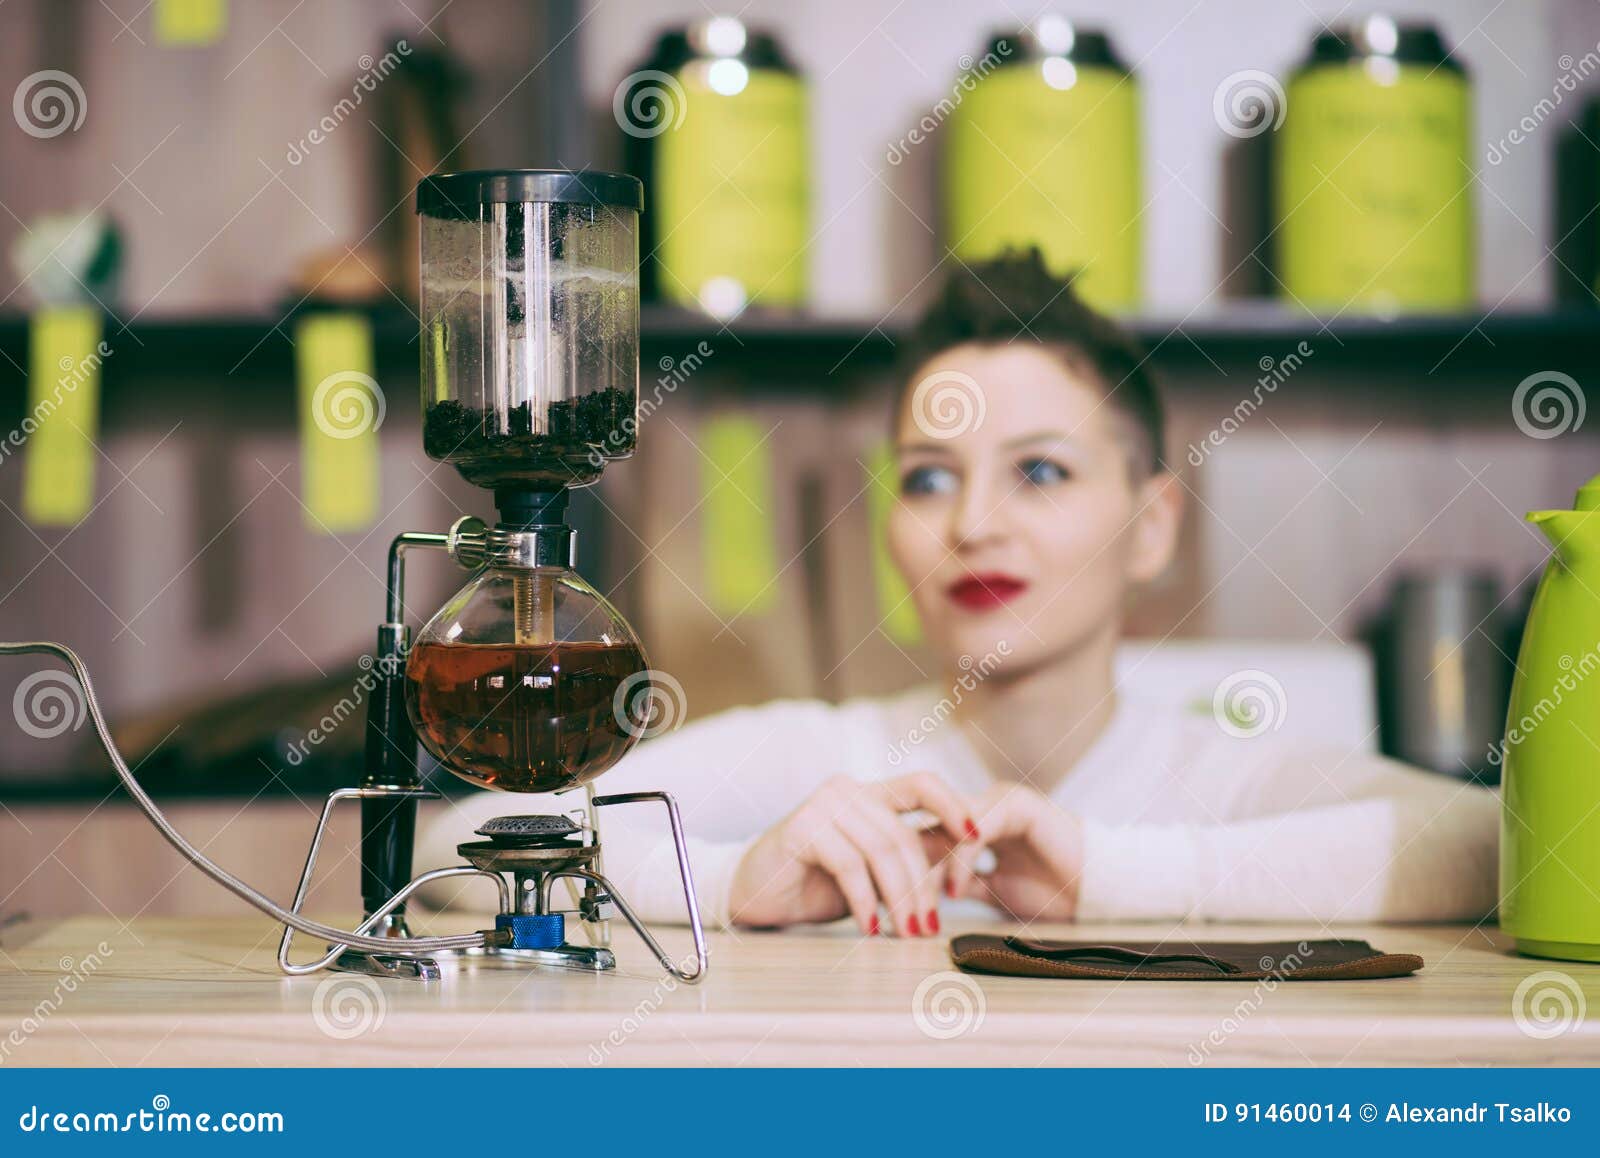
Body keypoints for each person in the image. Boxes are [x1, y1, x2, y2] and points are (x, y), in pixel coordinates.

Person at [415, 251, 1499, 938]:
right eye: (929, 477)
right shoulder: (829, 764)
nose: (973, 524)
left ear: (1152, 525)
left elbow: (1495, 845)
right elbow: (459, 841)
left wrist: (1107, 874)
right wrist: (738, 878)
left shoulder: (1212, 772)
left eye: (1040, 471)